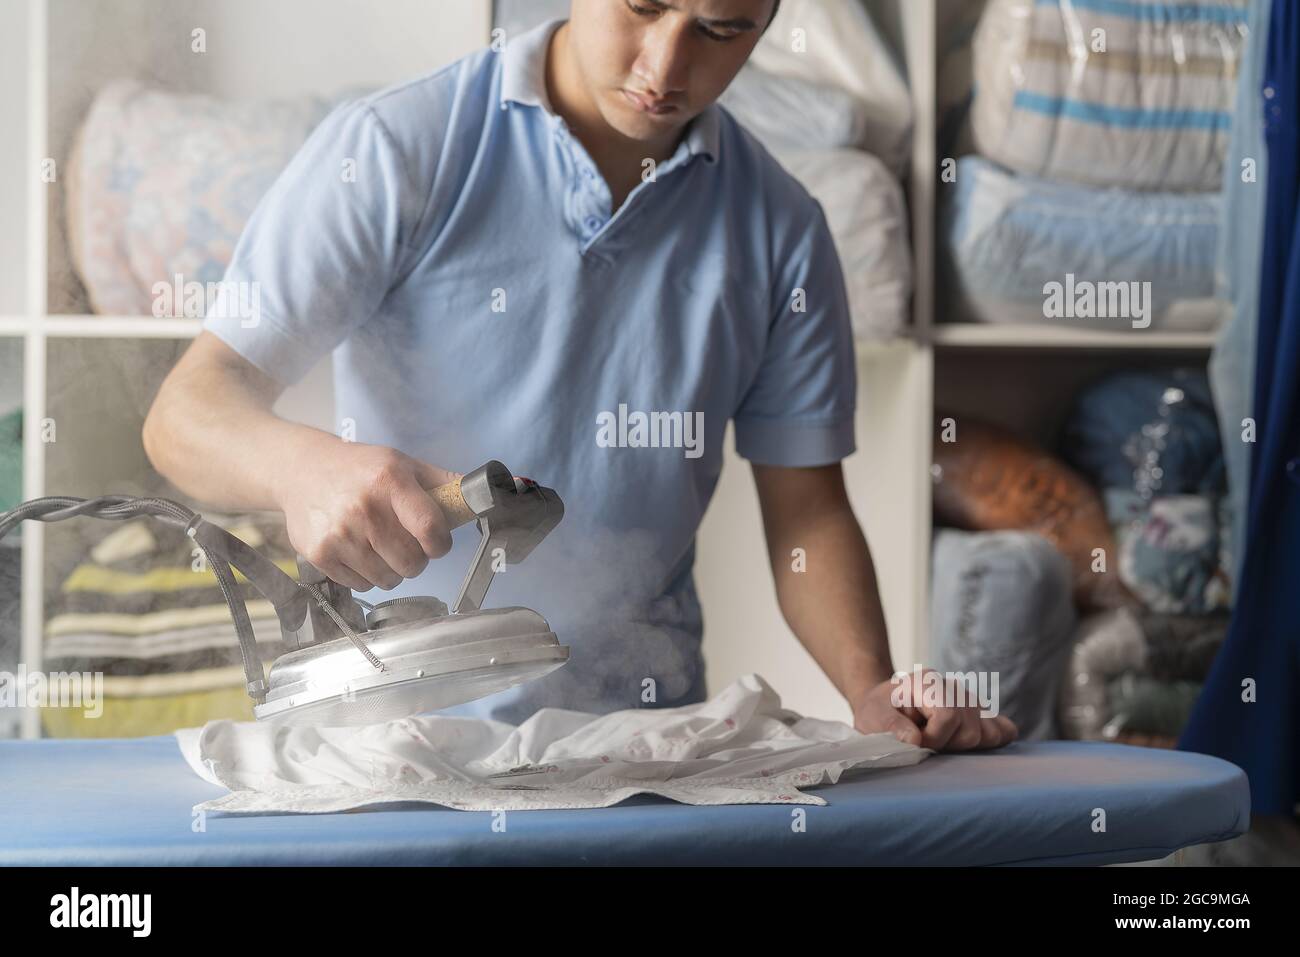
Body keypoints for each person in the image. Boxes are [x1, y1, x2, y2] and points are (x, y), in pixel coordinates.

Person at [143, 0, 1017, 751]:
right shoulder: (399, 150)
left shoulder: (782, 230)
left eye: (721, 29)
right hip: (394, 740)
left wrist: (870, 692)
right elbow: (188, 411)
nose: (665, 66)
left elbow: (810, 513)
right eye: (642, 5)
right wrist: (303, 467)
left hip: (640, 746)